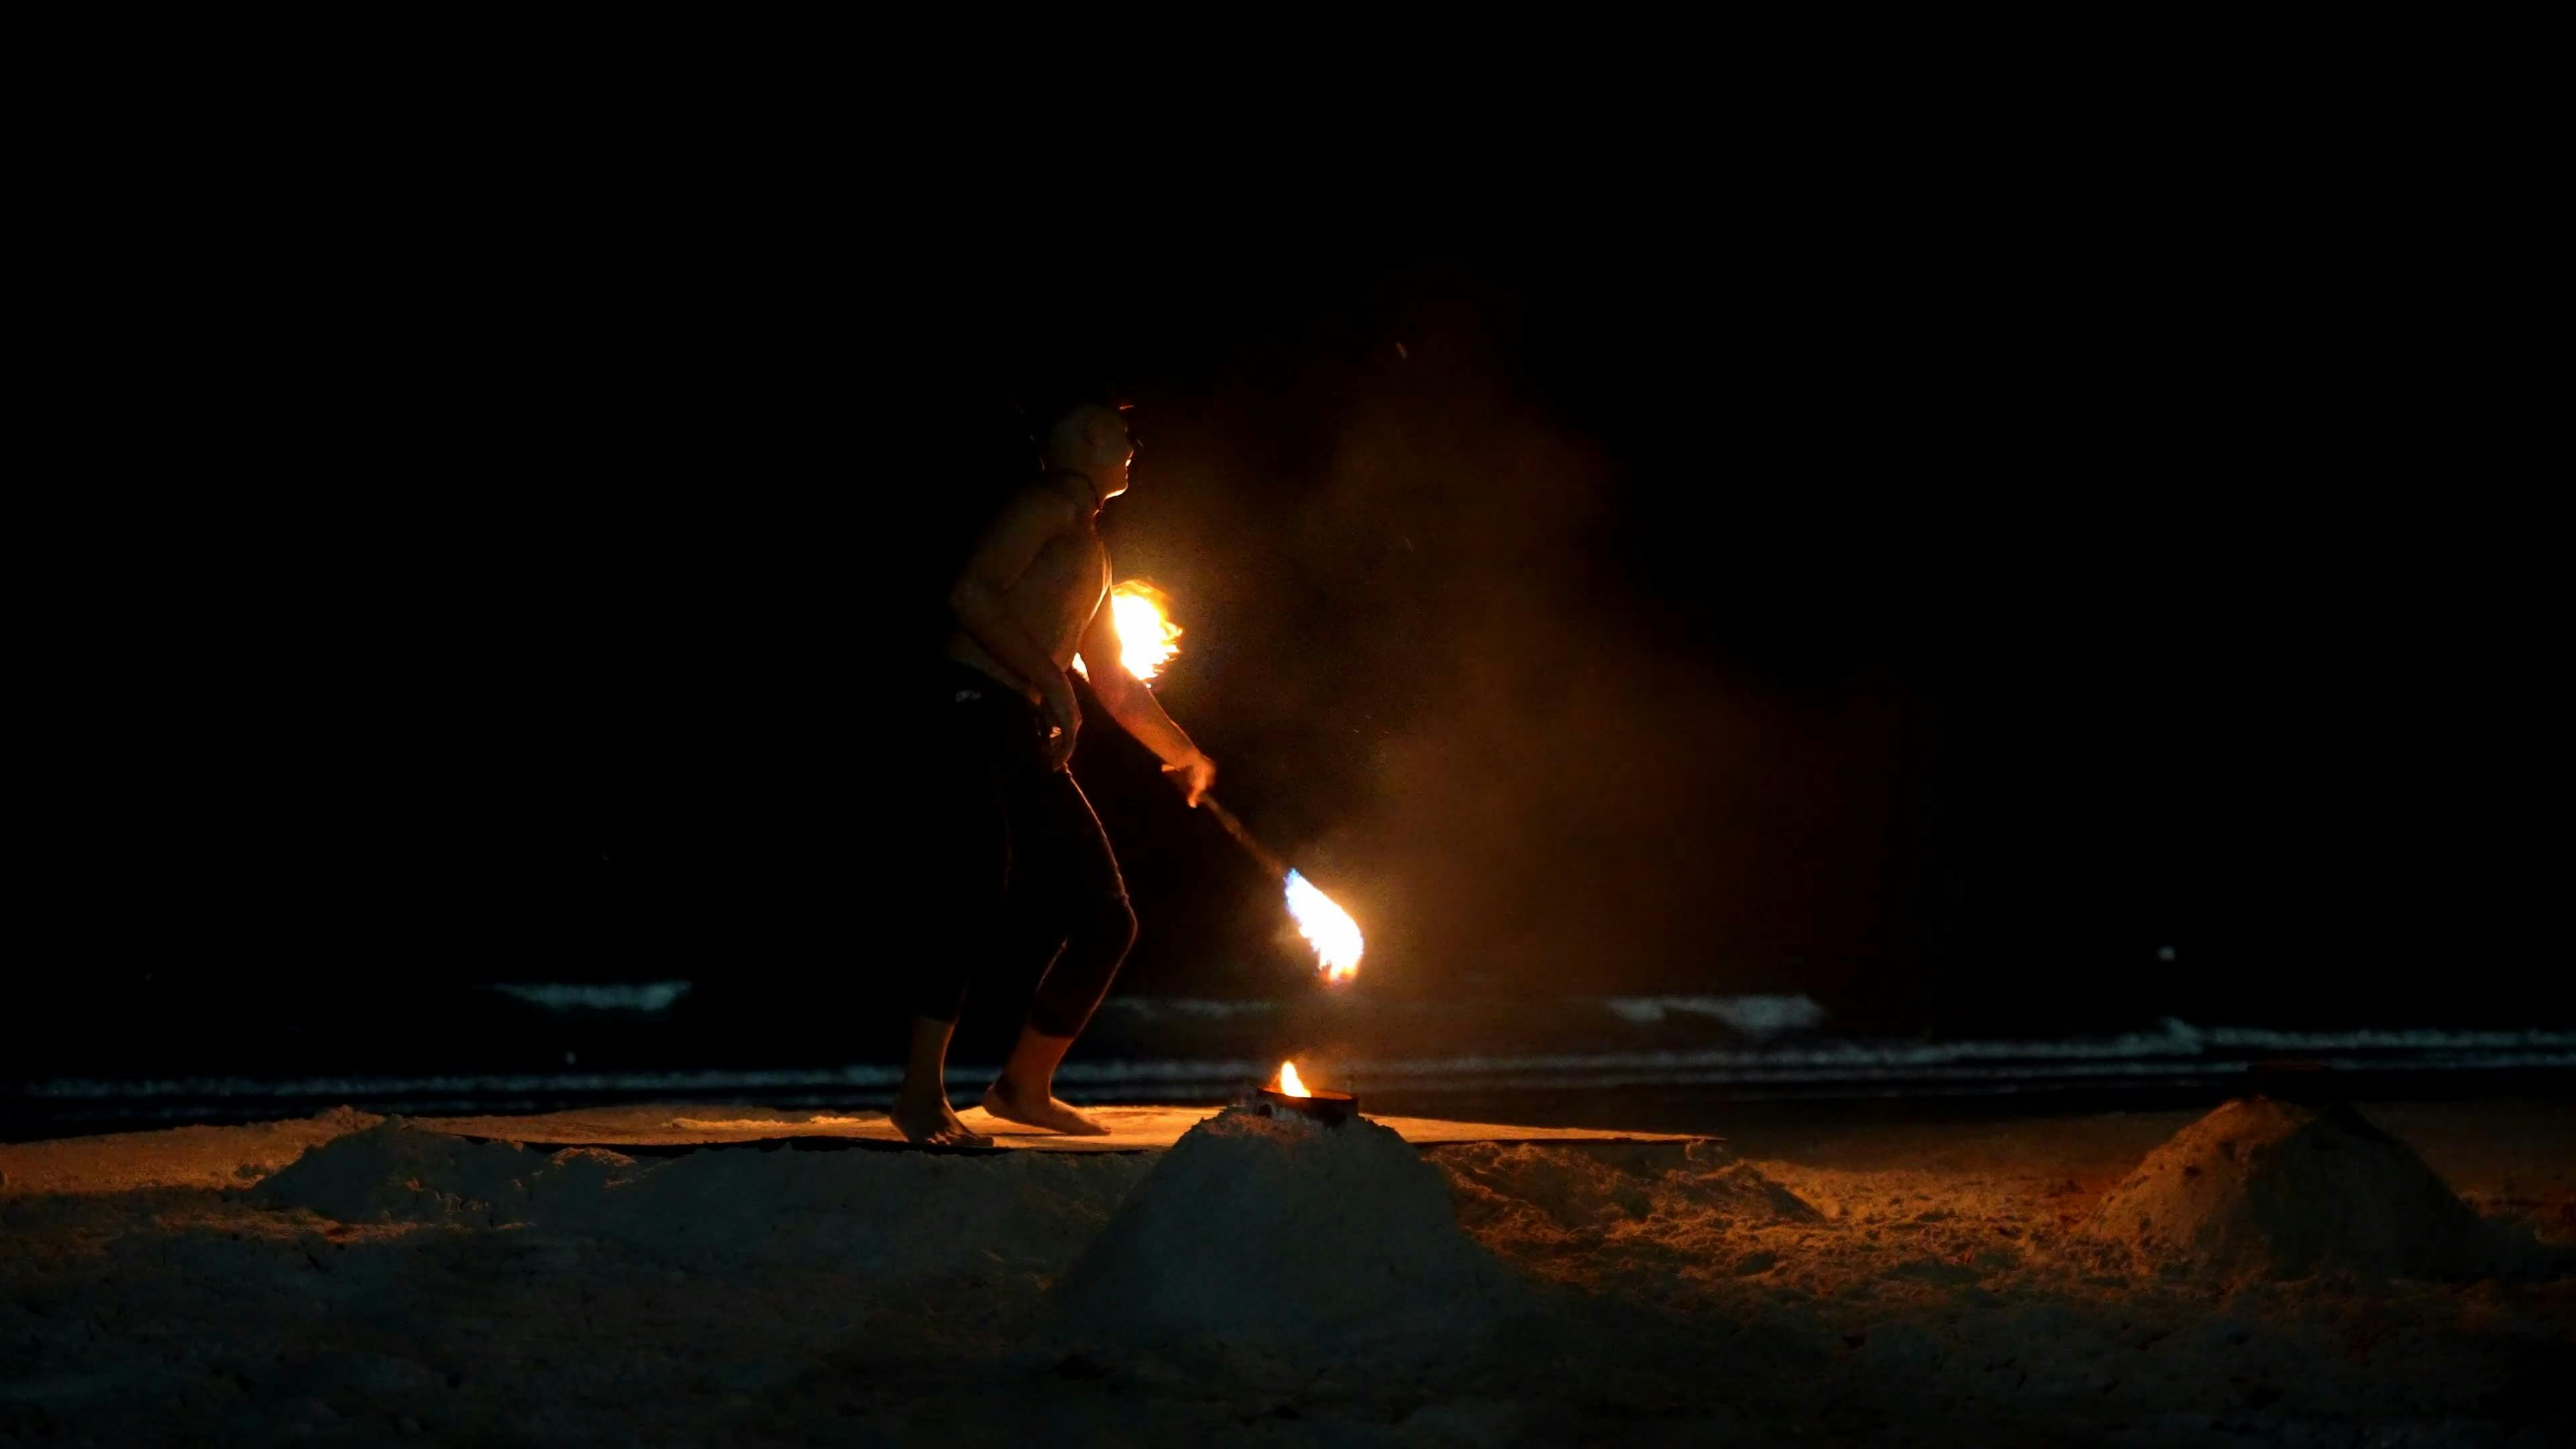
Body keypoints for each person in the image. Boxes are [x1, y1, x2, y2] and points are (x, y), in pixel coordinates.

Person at [894, 398, 1219, 1146]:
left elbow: (1116, 684)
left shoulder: (1093, 550)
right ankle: (919, 1095)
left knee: (1107, 917)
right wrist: (1052, 681)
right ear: (1067, 440)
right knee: (972, 884)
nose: (1130, 440)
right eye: (1110, 428)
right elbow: (969, 593)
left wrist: (1184, 754)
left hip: (1023, 729)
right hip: (969, 708)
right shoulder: (1040, 505)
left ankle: (1023, 1086)